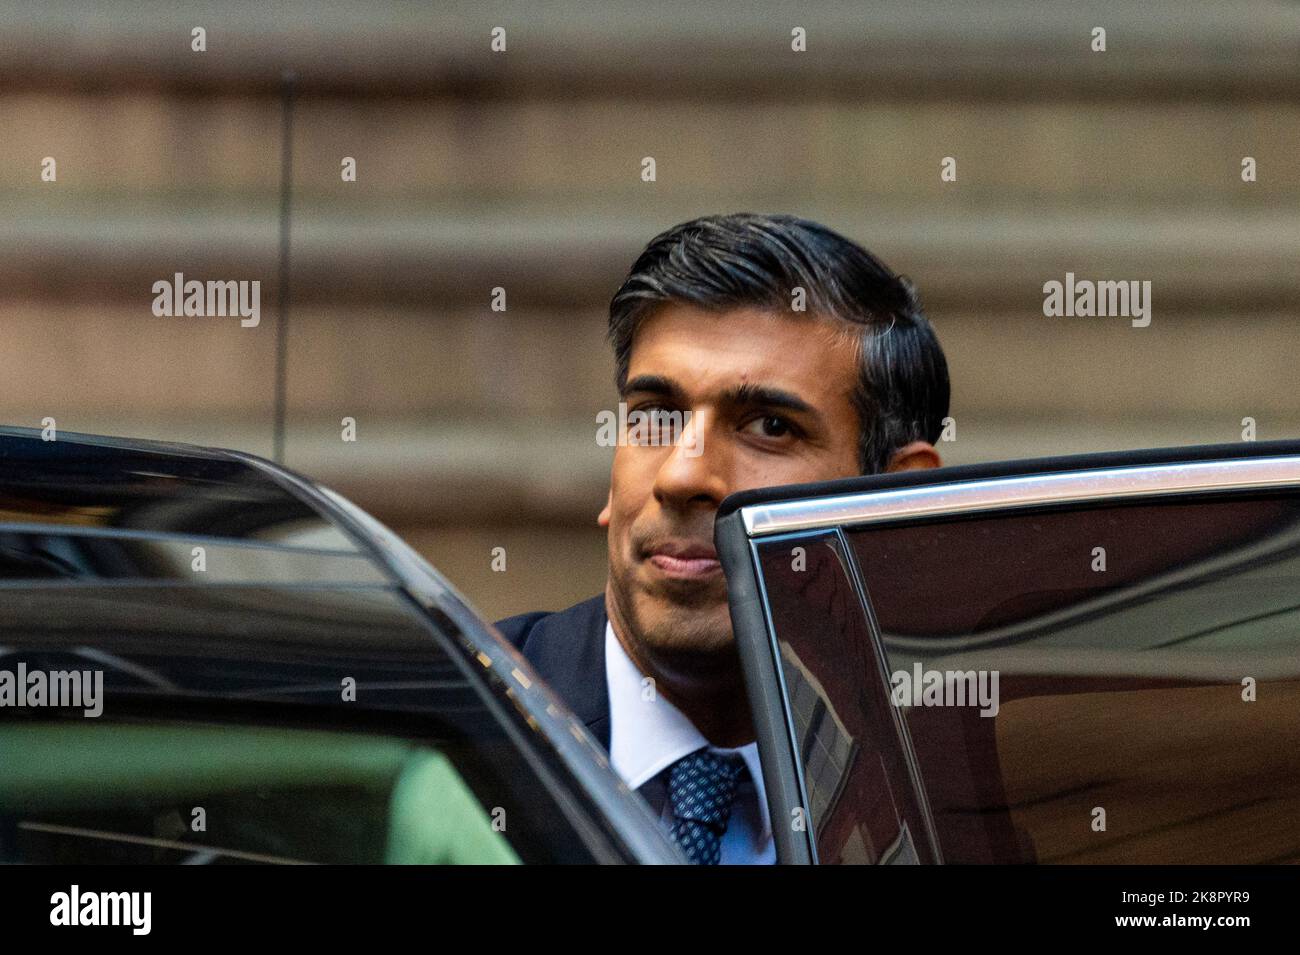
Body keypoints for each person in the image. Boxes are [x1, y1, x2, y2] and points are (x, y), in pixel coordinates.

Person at [496, 212, 950, 864]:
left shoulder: (963, 794)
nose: (682, 473)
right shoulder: (452, 730)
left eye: (769, 425)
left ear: (895, 507)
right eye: (654, 417)